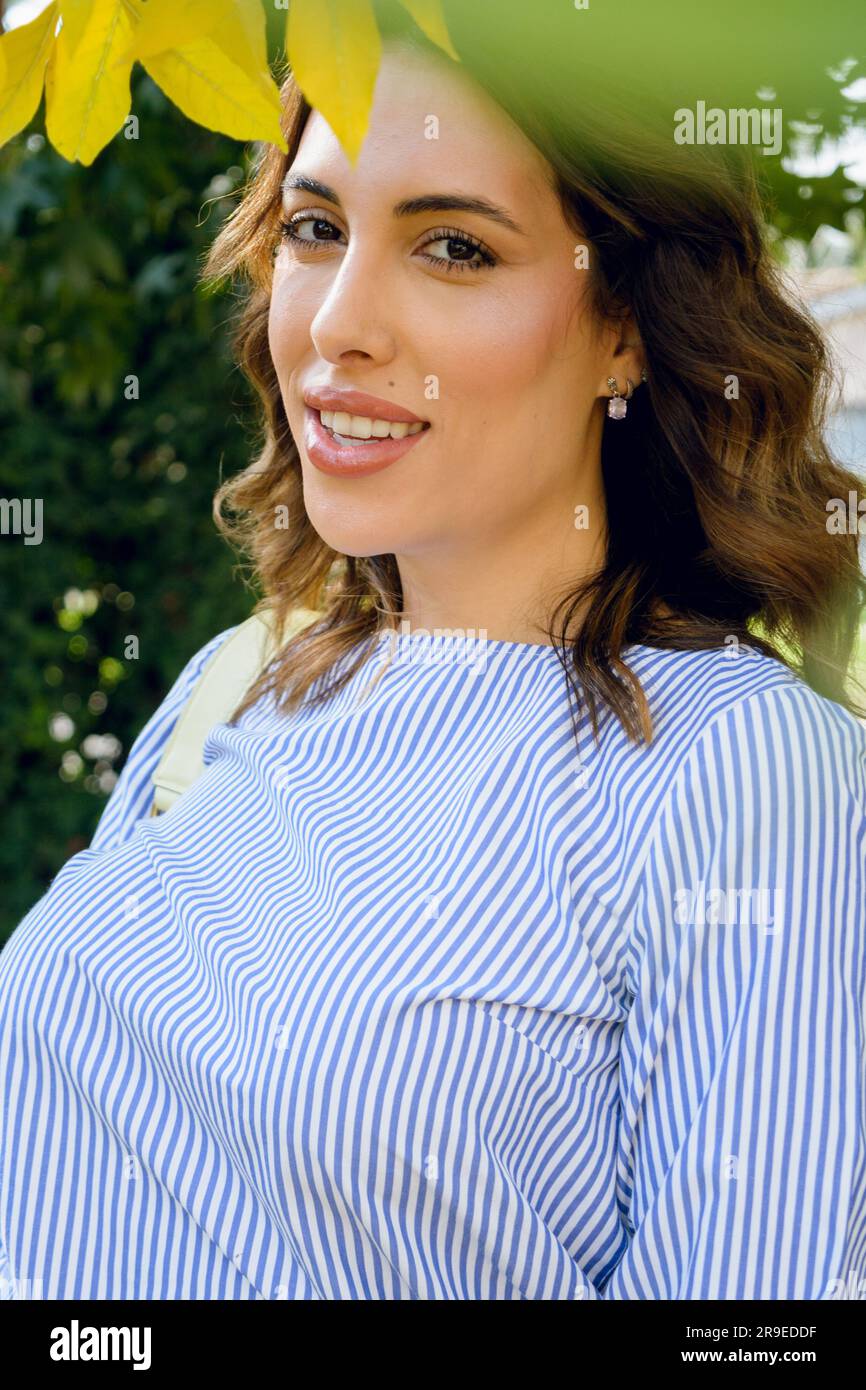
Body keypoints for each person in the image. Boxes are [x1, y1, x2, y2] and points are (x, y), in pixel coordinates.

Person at [1, 15, 865, 1301]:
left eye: (452, 246)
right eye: (312, 228)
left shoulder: (743, 771)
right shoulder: (229, 690)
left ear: (625, 325)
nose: (338, 323)